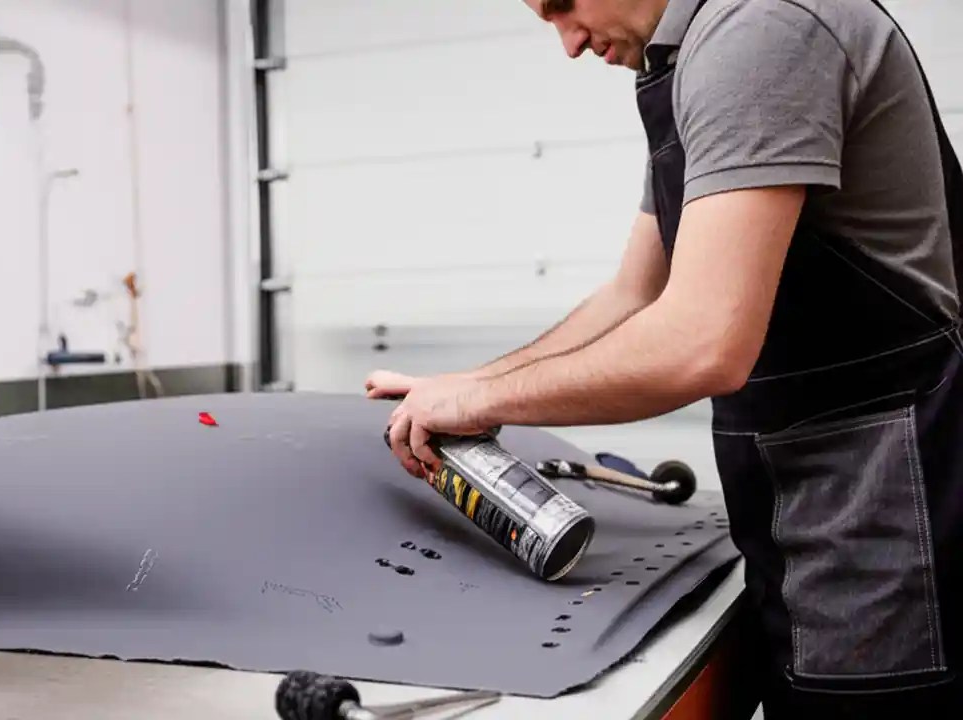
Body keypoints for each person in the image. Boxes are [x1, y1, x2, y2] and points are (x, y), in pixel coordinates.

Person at [366, 0, 963, 716]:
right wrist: (466, 385)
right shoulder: (697, 58)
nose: (569, 43)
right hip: (805, 506)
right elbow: (635, 296)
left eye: (562, 3)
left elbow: (701, 343)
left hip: (888, 524)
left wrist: (482, 402)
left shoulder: (762, 30)